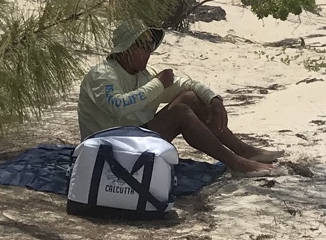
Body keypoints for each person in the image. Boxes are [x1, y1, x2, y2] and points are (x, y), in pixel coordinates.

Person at [79, 21, 277, 175]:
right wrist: (157, 84)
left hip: (135, 138)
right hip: (107, 147)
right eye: (144, 46)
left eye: (151, 45)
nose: (149, 51)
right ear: (127, 48)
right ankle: (236, 163)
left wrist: (214, 100)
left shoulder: (143, 75)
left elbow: (186, 85)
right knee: (181, 113)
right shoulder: (103, 75)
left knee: (190, 98)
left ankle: (243, 150)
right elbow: (118, 106)